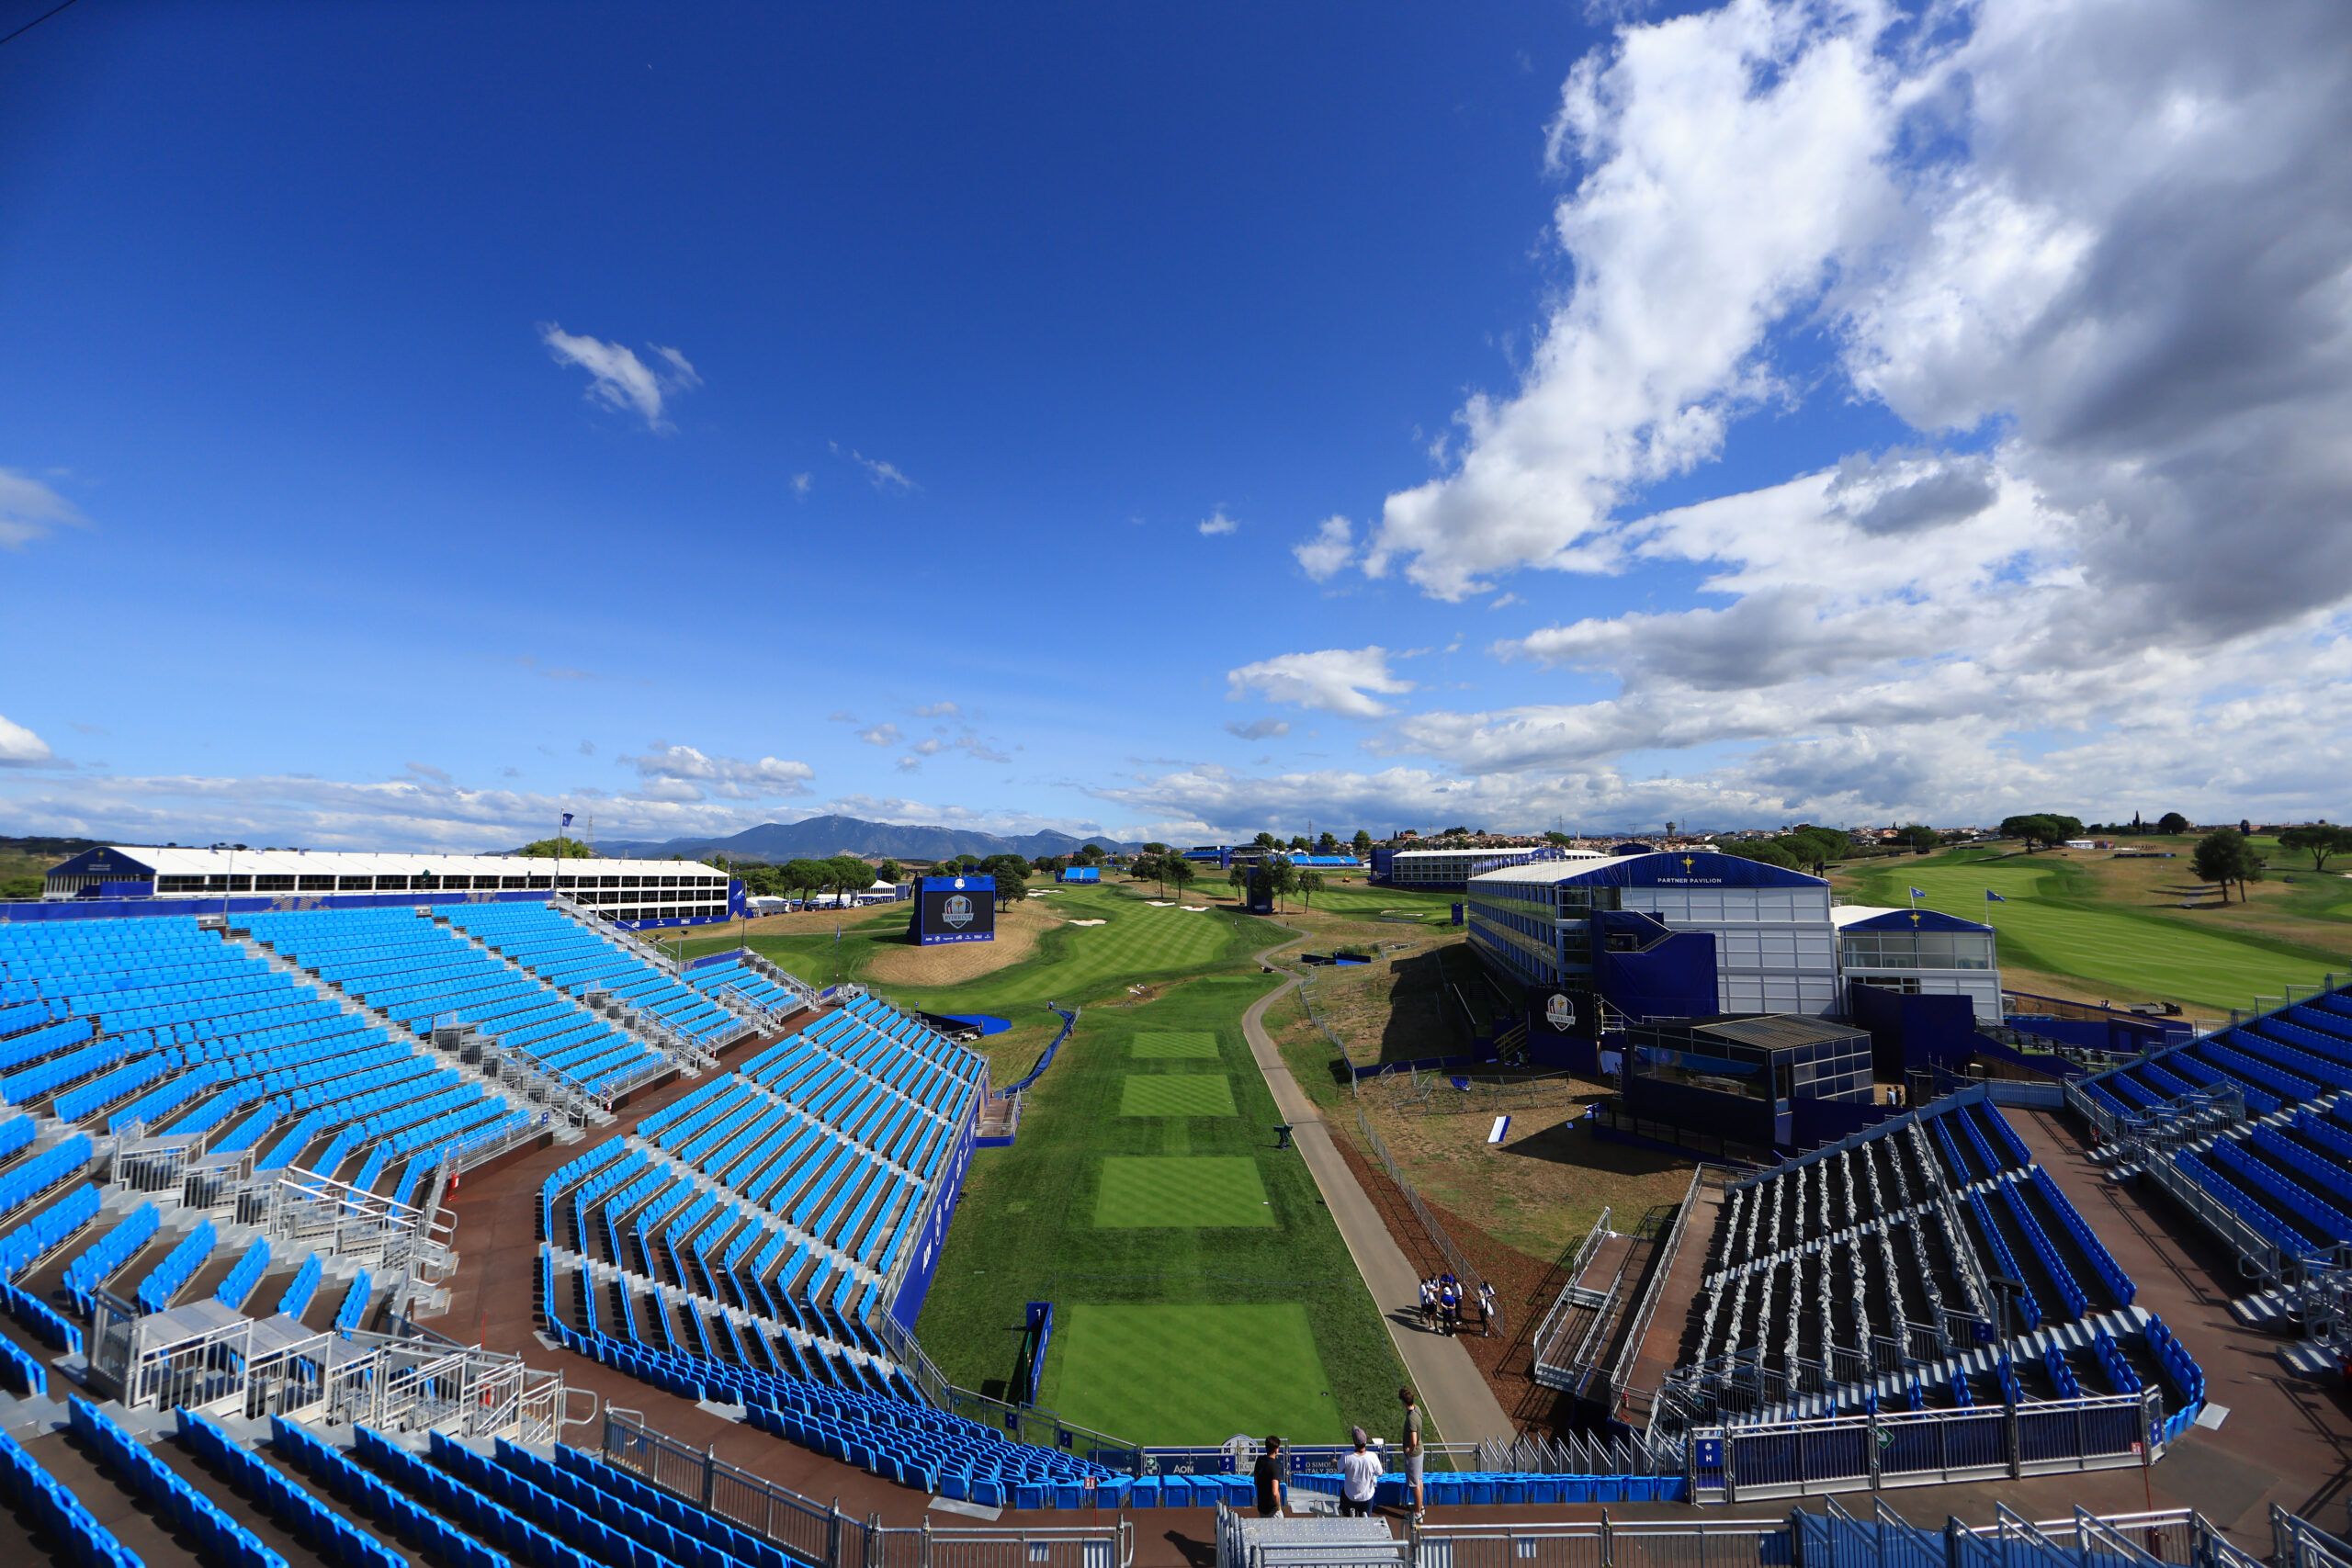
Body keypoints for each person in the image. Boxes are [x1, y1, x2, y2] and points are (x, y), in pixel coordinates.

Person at [1338, 1433, 1381, 1517]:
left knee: (1347, 1521)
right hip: (1366, 1497)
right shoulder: (1373, 1457)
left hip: (1349, 1496)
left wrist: (1335, 1462)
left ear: (1354, 1443)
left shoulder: (1346, 1456)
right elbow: (1380, 1472)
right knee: (1365, 1523)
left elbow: (1339, 1469)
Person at [1397, 1387, 1424, 1519]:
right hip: (1420, 1451)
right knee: (1419, 1480)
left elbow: (1413, 1440)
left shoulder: (1411, 1419)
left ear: (1403, 1402)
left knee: (1414, 1484)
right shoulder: (1417, 1409)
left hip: (1414, 1455)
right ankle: (1420, 1507)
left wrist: (1409, 1450)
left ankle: (1417, 1514)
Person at [1252, 1436, 1284, 1518]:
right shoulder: (1276, 1466)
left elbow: (1256, 1480)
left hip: (1262, 1507)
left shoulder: (1259, 1460)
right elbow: (1275, 1492)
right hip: (1273, 1510)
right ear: (1276, 1449)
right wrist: (1279, 1508)